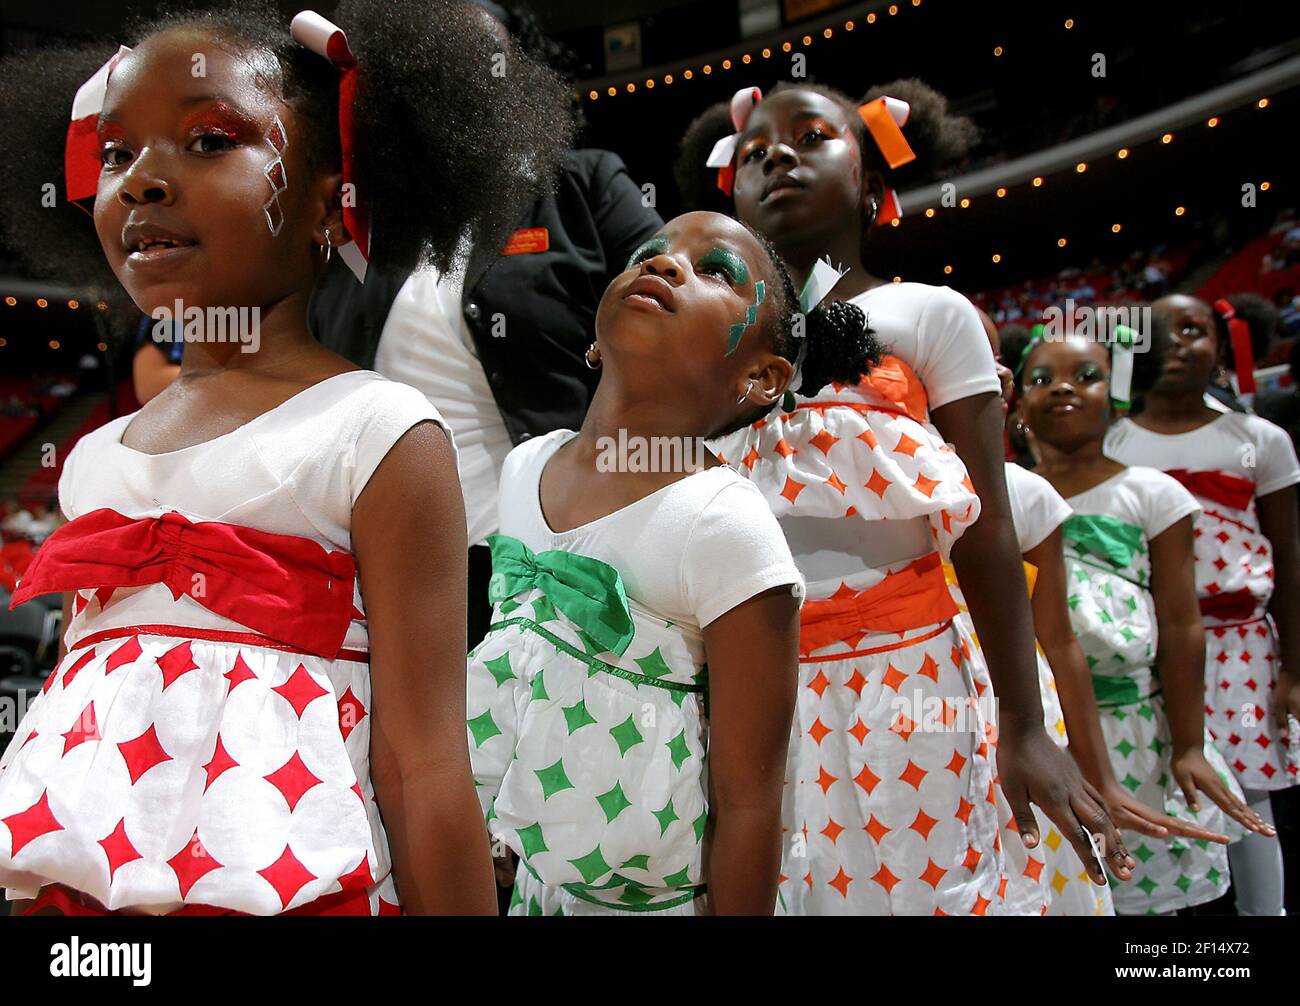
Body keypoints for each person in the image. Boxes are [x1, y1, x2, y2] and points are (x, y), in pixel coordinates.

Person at [0, 0, 572, 915]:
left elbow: (424, 768)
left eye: (209, 139)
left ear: (323, 198)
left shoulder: (377, 431)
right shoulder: (93, 461)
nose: (143, 178)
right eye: (116, 153)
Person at [679, 79, 1130, 914]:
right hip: (753, 691)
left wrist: (1025, 726)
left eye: (812, 136)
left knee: (935, 889)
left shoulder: (928, 313)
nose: (777, 154)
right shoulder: (706, 349)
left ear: (874, 181)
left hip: (915, 678)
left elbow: (988, 529)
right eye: (753, 152)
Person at [467, 212, 804, 915]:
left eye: (716, 271)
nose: (665, 263)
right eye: (649, 252)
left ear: (764, 376)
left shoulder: (723, 522)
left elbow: (749, 801)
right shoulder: (524, 468)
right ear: (593, 338)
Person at [308, 2, 662, 649]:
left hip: (566, 565)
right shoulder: (355, 227)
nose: (461, 79)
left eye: (480, 60)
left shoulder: (584, 188)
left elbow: (683, 307)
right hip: (384, 585)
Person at [1017, 332, 1271, 914]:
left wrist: (1188, 743)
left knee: (1156, 897)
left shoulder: (1152, 493)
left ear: (1119, 398)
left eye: (1086, 376)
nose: (1061, 388)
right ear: (1016, 406)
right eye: (1039, 379)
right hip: (1048, 733)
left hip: (1140, 727)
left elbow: (1181, 624)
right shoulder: (1006, 495)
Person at [1106, 293, 1300, 916]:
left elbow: (1289, 557)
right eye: (1159, 334)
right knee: (1166, 788)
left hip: (1240, 642)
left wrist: (1293, 667)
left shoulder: (1261, 440)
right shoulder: (1110, 443)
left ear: (1222, 344)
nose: (1177, 345)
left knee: (1249, 796)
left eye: (1193, 331)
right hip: (1151, 646)